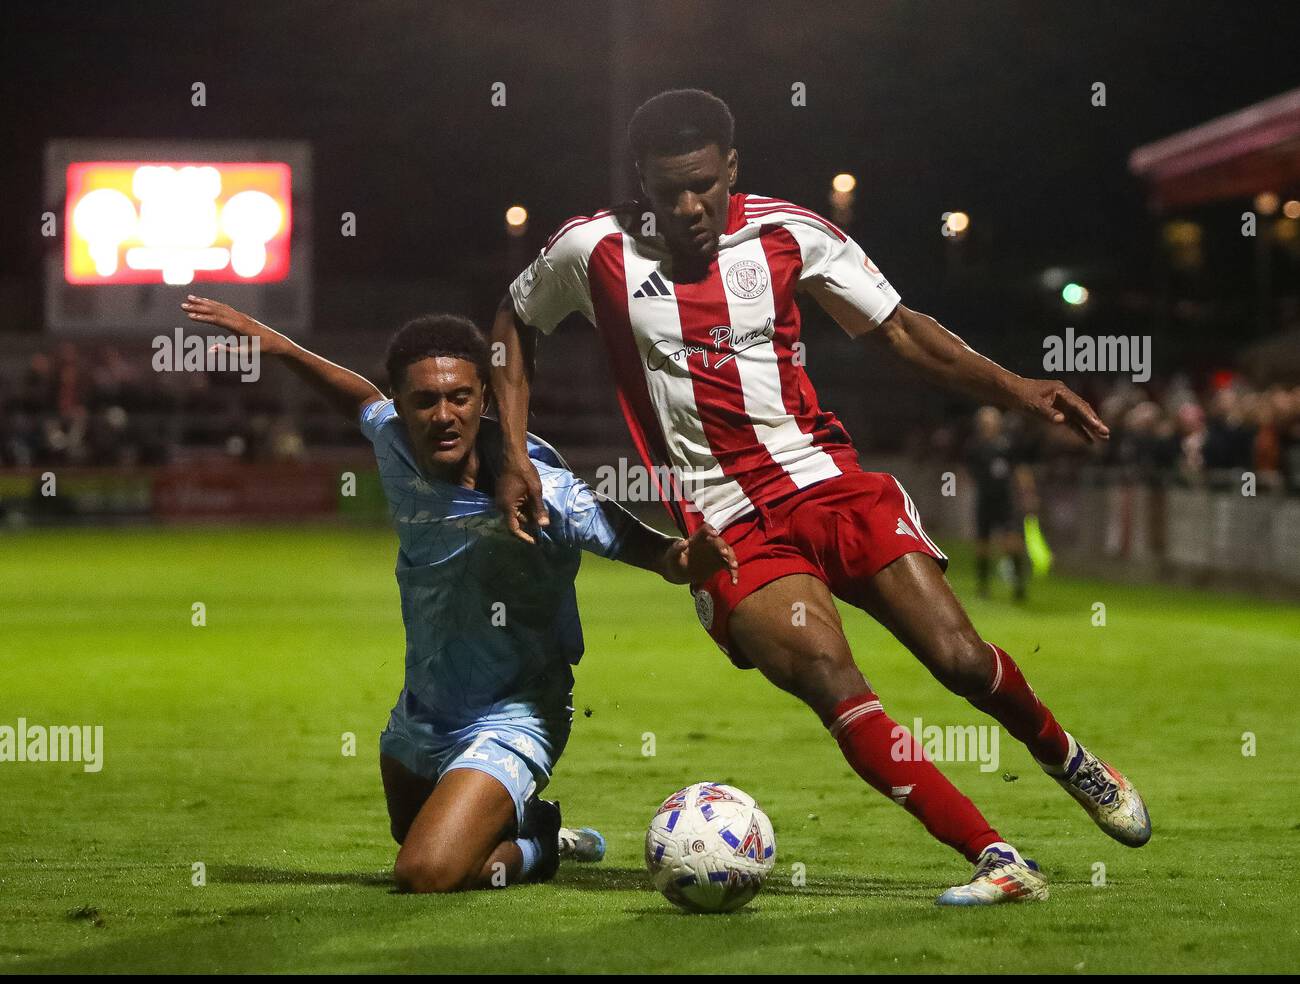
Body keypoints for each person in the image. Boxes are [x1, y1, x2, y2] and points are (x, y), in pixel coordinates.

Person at [488, 89, 1150, 906]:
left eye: (705, 184)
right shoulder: (591, 250)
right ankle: (998, 857)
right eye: (669, 192)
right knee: (832, 680)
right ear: (642, 184)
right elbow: (512, 324)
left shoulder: (790, 232)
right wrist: (513, 452)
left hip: (827, 484)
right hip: (727, 527)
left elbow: (901, 330)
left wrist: (1018, 389)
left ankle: (1070, 759)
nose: (690, 207)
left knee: (961, 660)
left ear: (732, 167)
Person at [180, 295, 737, 893]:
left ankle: (537, 845)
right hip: (424, 707)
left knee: (426, 871)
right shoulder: (394, 440)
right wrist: (282, 346)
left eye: (460, 397)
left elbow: (661, 556)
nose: (442, 414)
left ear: (486, 400)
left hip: (515, 714)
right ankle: (526, 821)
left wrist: (691, 557)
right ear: (403, 406)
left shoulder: (543, 491)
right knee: (415, 832)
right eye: (423, 400)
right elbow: (358, 398)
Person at [965, 406, 1034, 599]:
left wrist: (1028, 494)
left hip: (1006, 501)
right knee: (983, 544)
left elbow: (1021, 470)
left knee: (1012, 542)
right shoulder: (974, 447)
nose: (988, 426)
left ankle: (1019, 586)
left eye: (992, 421)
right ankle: (983, 586)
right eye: (985, 422)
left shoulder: (1008, 444)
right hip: (985, 501)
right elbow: (968, 474)